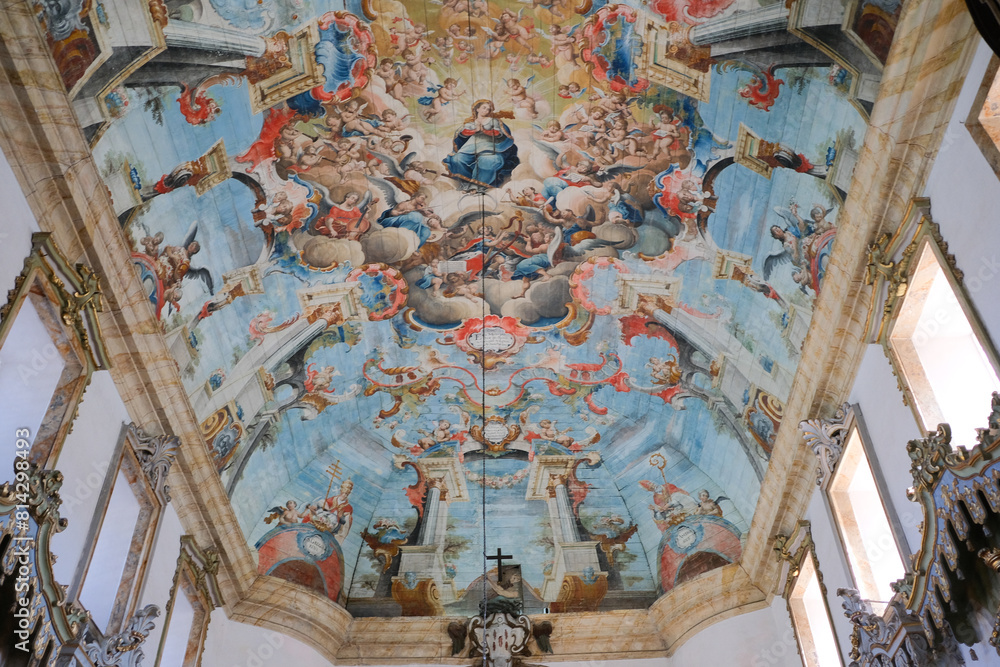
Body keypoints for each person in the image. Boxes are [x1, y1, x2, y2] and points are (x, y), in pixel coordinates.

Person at [442, 100, 519, 191]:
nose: (486, 110)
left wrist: (484, 131)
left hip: (490, 147)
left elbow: (498, 133)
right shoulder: (470, 123)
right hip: (470, 147)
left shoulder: (493, 121)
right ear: (477, 109)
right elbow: (463, 134)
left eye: (488, 109)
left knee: (487, 160)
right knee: (457, 159)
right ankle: (467, 181)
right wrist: (475, 131)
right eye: (484, 108)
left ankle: (477, 185)